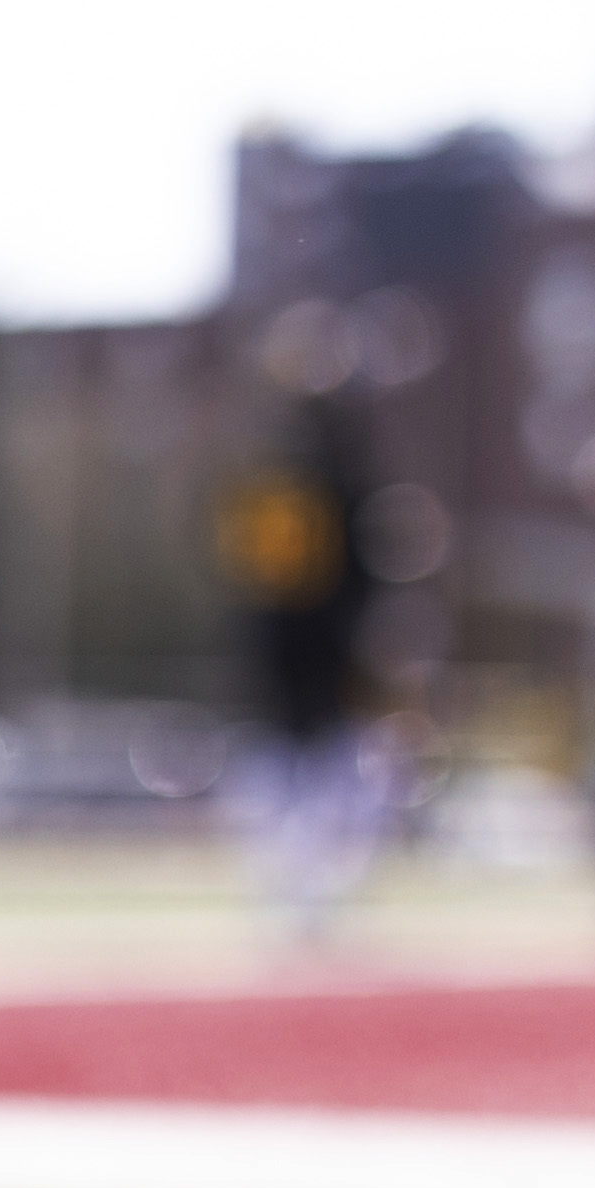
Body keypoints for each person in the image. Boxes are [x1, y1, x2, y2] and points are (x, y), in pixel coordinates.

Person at [214, 342, 388, 942]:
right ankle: (308, 885)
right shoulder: (336, 479)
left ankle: (290, 882)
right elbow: (363, 568)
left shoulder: (267, 475)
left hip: (274, 637)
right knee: (333, 765)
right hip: (321, 638)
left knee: (285, 764)